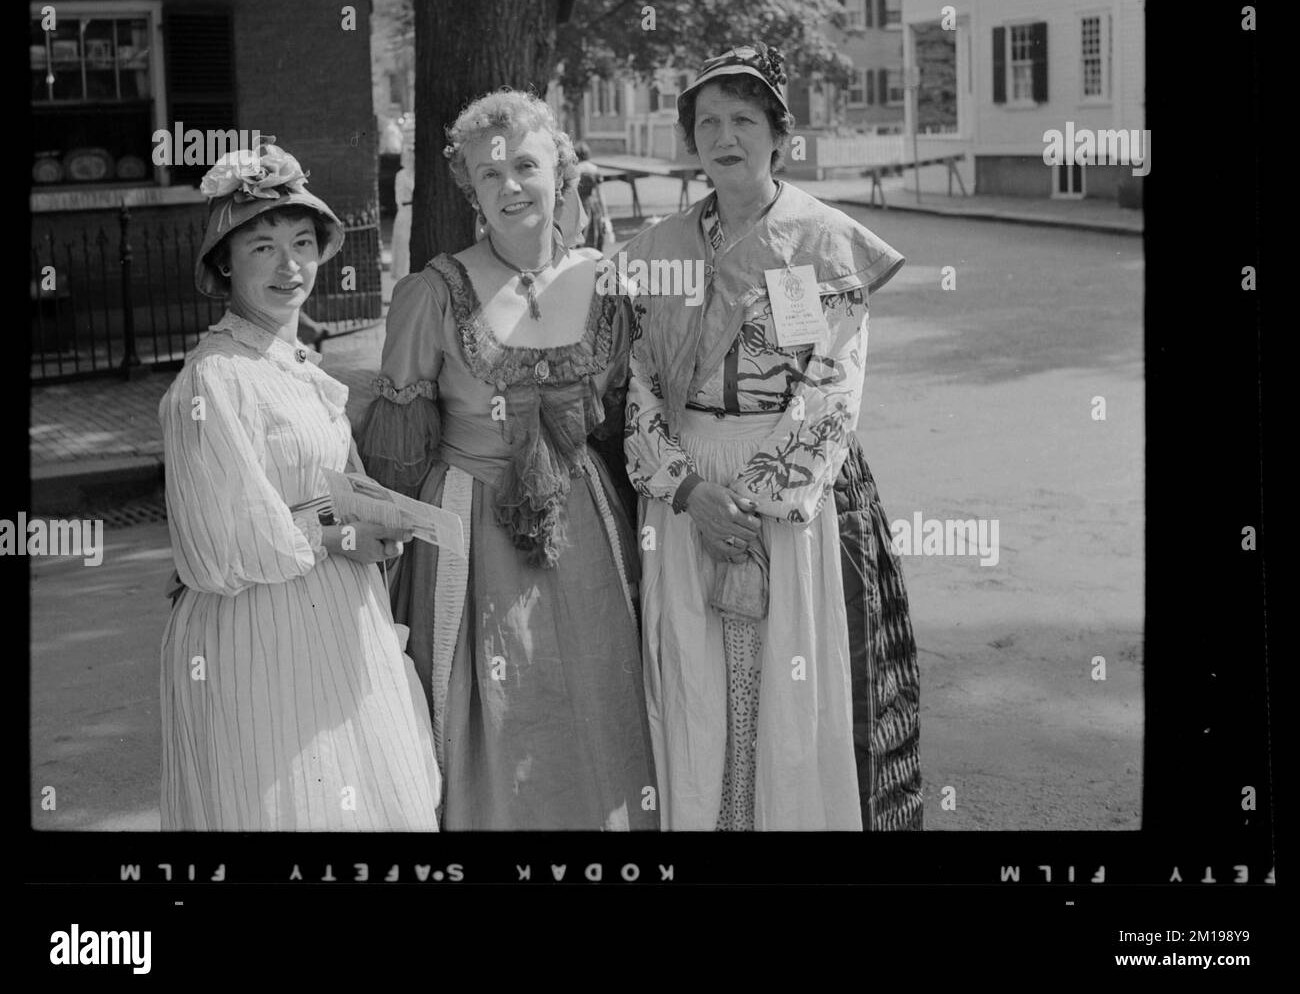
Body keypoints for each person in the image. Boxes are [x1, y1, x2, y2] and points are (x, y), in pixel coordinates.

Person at [624, 43, 922, 831]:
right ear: (692, 140)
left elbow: (833, 386)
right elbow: (642, 378)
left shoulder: (823, 241)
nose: (726, 136)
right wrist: (688, 491)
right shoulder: (657, 251)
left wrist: (751, 505)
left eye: (744, 119)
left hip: (786, 494)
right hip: (689, 488)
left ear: (779, 137)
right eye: (710, 121)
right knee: (694, 675)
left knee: (790, 682)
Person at [356, 90, 657, 830]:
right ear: (470, 189)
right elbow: (399, 449)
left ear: (563, 175)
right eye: (490, 174)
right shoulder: (434, 293)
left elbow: (630, 425)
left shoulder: (610, 283)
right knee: (497, 705)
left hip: (587, 527)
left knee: (601, 693)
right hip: (470, 530)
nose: (511, 185)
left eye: (526, 164)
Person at [159, 142, 441, 831]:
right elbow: (223, 548)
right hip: (261, 631)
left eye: (303, 243)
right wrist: (342, 529)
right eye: (262, 247)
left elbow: (317, 493)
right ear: (225, 262)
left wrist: (370, 516)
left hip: (336, 617)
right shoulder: (215, 381)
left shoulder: (290, 366)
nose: (290, 266)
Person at [573, 139, 612, 251]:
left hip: (579, 205)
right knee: (595, 234)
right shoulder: (593, 169)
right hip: (593, 205)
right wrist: (606, 215)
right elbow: (600, 194)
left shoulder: (574, 170)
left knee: (580, 237)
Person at [391, 117, 416, 285]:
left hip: (415, 212)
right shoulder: (401, 175)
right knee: (404, 249)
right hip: (406, 213)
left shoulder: (417, 174)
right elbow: (399, 198)